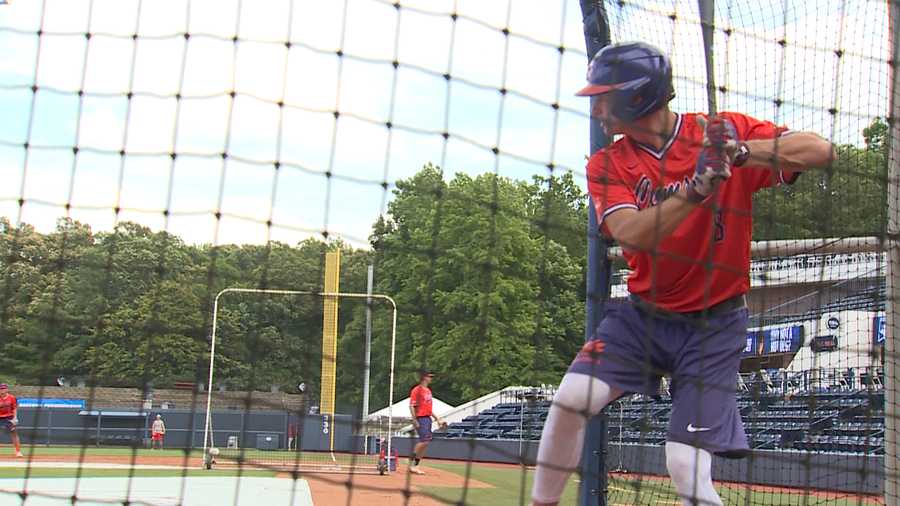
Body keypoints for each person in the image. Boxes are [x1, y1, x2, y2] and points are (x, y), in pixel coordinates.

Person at [531, 42, 834, 506]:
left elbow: (819, 150)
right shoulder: (609, 163)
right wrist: (696, 189)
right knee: (570, 400)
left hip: (715, 323)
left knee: (685, 466)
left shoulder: (720, 132)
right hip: (644, 317)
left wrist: (741, 152)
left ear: (636, 96)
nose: (596, 109)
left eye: (603, 96)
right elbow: (631, 234)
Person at [407, 370, 446, 475]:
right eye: (429, 376)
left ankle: (416, 465)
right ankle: (411, 460)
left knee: (426, 442)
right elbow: (411, 405)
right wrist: (414, 419)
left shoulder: (428, 390)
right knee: (424, 440)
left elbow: (428, 408)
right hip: (421, 418)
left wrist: (437, 418)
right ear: (424, 377)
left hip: (427, 418)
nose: (431, 378)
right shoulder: (417, 390)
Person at [0, 384, 22, 457]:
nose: (2, 390)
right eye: (1, 389)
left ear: (7, 389)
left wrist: (15, 418)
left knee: (14, 433)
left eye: (4, 389)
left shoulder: (12, 398)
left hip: (9, 417)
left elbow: (14, 408)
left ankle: (18, 451)